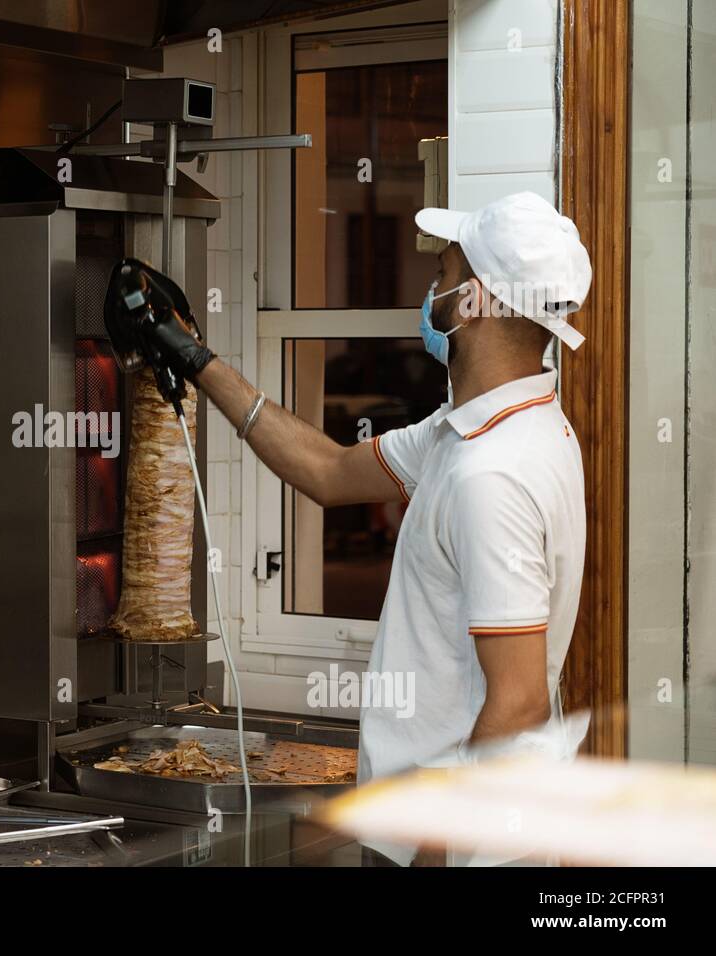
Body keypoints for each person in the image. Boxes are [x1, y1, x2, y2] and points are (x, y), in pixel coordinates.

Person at [120, 191, 592, 865]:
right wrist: (193, 357)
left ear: (476, 301)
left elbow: (517, 702)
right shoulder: (483, 430)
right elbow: (329, 472)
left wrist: (435, 853)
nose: (431, 285)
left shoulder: (493, 472)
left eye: (445, 270)